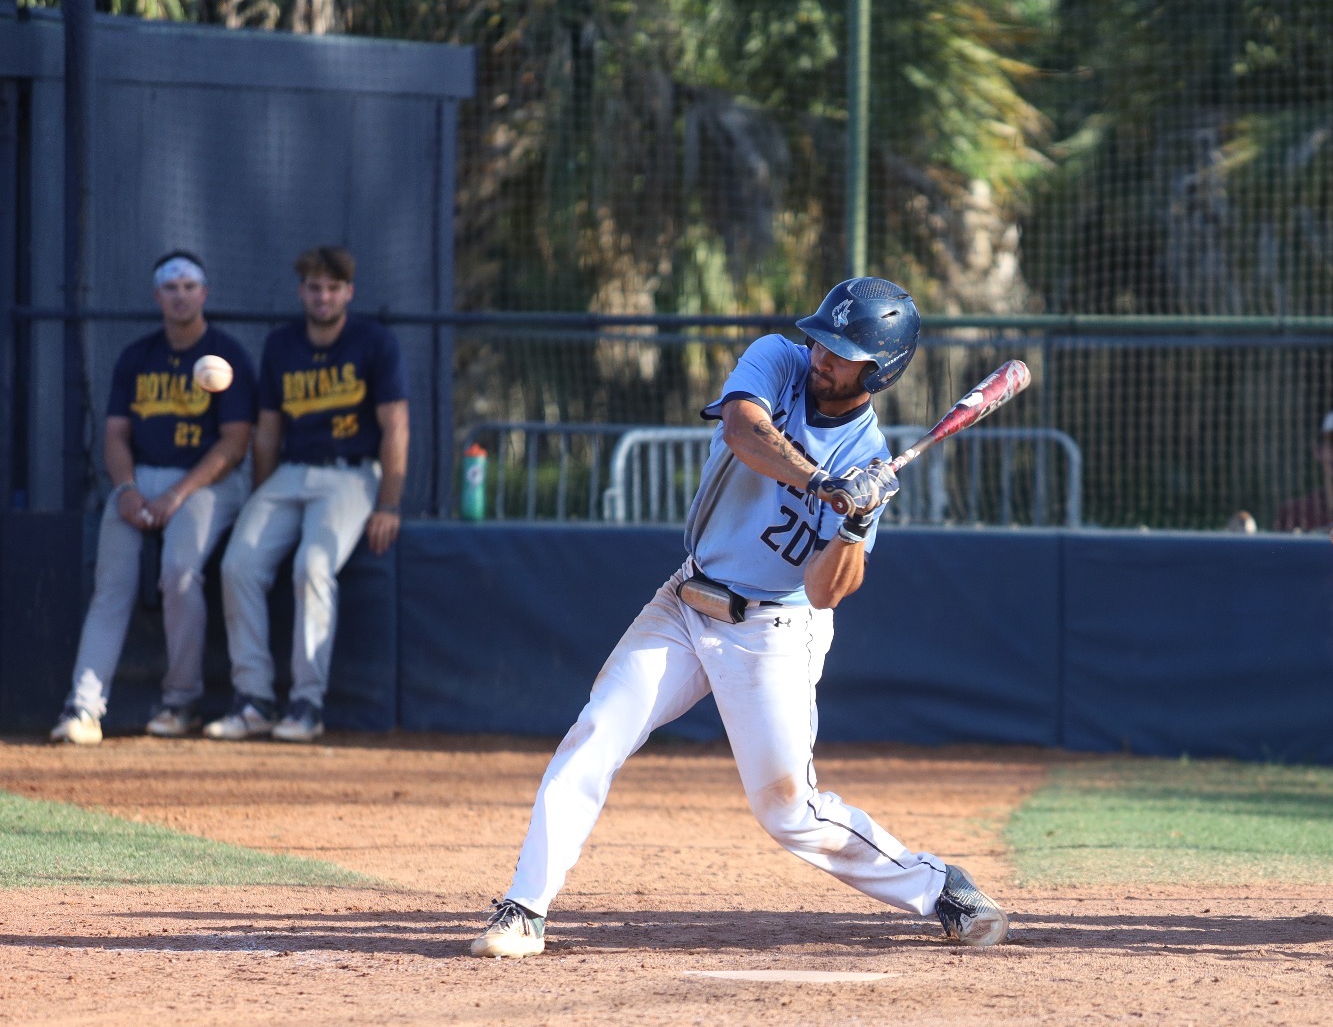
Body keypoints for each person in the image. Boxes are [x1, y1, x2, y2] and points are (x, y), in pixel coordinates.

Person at [469, 277, 1010, 959]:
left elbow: (824, 593)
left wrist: (856, 523)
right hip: (685, 598)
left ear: (881, 369)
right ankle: (523, 908)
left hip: (773, 631)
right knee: (596, 731)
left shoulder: (868, 458)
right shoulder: (777, 359)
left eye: (842, 352)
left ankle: (939, 887)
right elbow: (743, 430)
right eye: (822, 339)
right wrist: (820, 484)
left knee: (788, 812)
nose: (821, 355)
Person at [50, 252, 258, 744]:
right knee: (112, 581)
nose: (180, 295)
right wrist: (125, 490)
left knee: (179, 573)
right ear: (157, 297)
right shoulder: (136, 357)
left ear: (204, 294)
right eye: (171, 287)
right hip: (141, 477)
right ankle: (83, 707)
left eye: (189, 286)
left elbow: (234, 445)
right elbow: (116, 434)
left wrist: (176, 494)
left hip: (205, 482)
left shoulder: (228, 352)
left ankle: (181, 701)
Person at [208, 246, 408, 744]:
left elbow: (396, 427)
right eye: (315, 287)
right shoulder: (281, 345)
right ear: (301, 292)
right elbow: (268, 432)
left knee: (312, 567)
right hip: (290, 472)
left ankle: (306, 703)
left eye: (333, 288)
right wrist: (259, 496)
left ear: (348, 293)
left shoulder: (374, 342)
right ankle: (253, 699)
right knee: (238, 566)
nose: (323, 297)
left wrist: (389, 502)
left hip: (351, 473)